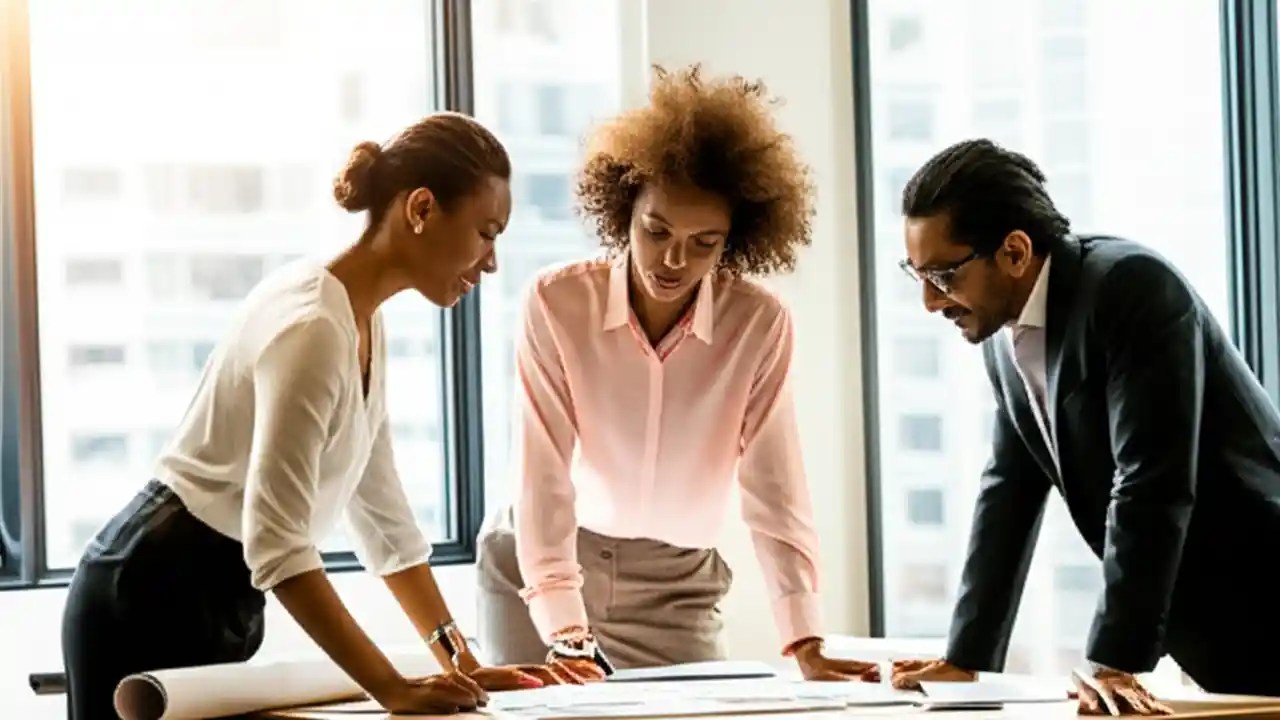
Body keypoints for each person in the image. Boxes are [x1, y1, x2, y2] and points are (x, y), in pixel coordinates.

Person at [60, 112, 557, 719]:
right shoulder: (313, 325)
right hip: (150, 588)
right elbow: (279, 545)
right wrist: (394, 690)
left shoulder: (360, 316)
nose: (492, 262)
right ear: (421, 209)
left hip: (216, 592)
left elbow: (382, 515)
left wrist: (460, 660)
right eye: (487, 232)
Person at [475, 64, 879, 682]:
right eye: (655, 230)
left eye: (703, 242)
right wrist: (564, 625)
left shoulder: (759, 323)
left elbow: (775, 487)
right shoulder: (556, 303)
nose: (672, 259)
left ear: (734, 241)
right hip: (540, 564)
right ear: (623, 209)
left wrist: (805, 639)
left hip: (677, 583)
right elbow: (542, 471)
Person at [888, 139, 1280, 714]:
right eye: (915, 274)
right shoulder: (1002, 336)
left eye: (942, 275)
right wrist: (967, 657)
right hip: (1205, 625)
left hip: (1265, 590)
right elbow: (1009, 491)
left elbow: (1152, 480)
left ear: (1015, 252)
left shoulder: (1132, 289)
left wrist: (1112, 658)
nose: (928, 301)